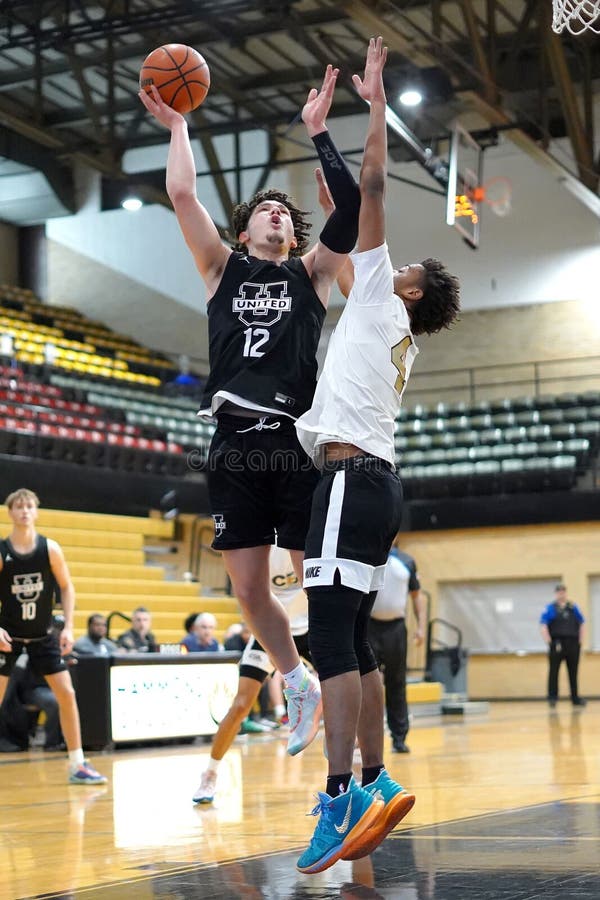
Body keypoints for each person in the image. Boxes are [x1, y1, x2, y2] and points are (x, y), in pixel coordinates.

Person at [139, 60, 362, 756]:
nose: (274, 213)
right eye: (264, 209)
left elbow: (351, 213)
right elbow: (181, 193)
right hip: (234, 441)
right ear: (244, 234)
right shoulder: (220, 269)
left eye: (283, 213)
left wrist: (320, 133)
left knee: (313, 579)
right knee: (246, 590)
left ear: (293, 236)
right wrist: (179, 126)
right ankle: (293, 680)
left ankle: (341, 689)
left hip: (292, 441)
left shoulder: (311, 274)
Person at [294, 38, 460, 874]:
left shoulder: (378, 287)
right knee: (353, 644)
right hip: (379, 485)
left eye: (414, 263)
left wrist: (370, 107)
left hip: (350, 478)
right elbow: (355, 200)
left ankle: (335, 802)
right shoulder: (393, 324)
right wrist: (321, 135)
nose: (400, 257)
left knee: (328, 638)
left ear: (416, 286)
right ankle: (372, 775)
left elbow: (372, 189)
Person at [0, 488, 107, 783]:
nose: (24, 511)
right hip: (8, 634)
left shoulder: (50, 549)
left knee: (67, 694)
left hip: (43, 633)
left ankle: (78, 764)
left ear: (36, 512)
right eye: (18, 506)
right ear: (10, 512)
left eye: (29, 506)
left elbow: (67, 587)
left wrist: (70, 626)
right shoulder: (2, 551)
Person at [192, 544, 311, 804]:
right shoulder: (261, 546)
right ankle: (210, 773)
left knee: (343, 689)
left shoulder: (306, 533)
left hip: (310, 628)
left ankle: (356, 771)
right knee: (242, 704)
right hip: (271, 631)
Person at [369, 547, 426, 754]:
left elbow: (417, 596)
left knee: (396, 682)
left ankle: (399, 737)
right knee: (367, 684)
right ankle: (368, 738)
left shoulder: (407, 561)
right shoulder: (368, 554)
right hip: (369, 627)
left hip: (396, 629)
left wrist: (421, 627)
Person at [540, 584, 586, 708]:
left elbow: (582, 624)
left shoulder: (573, 607)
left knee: (573, 672)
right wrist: (550, 642)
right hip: (557, 643)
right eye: (559, 592)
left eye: (563, 591)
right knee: (554, 671)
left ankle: (575, 697)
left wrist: (580, 642)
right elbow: (543, 626)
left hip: (572, 643)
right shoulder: (550, 608)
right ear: (556, 594)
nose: (561, 594)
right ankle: (552, 698)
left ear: (566, 593)